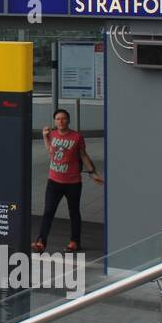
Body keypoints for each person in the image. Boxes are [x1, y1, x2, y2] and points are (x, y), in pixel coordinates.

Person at [34, 108, 104, 254]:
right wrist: (45, 138)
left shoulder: (76, 137)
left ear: (68, 120)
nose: (61, 121)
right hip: (54, 180)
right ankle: (41, 241)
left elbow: (83, 155)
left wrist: (92, 172)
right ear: (55, 121)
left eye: (64, 118)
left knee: (74, 212)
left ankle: (75, 242)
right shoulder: (52, 134)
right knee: (48, 211)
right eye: (58, 119)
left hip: (72, 182)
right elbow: (51, 153)